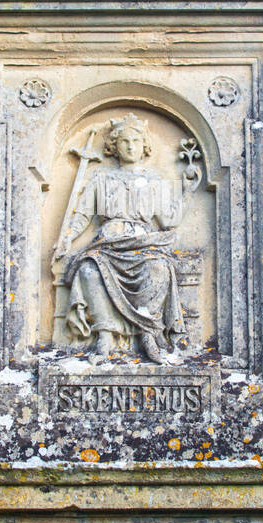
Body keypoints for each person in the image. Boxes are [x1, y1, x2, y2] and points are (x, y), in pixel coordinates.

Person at [53, 114, 186, 363]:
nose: (131, 146)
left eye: (136, 140)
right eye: (124, 141)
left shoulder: (154, 181)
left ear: (145, 145)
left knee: (158, 267)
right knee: (88, 269)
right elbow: (82, 214)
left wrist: (186, 190)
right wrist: (67, 238)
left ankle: (148, 333)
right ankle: (104, 335)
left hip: (144, 244)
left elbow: (168, 220)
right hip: (108, 245)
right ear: (114, 146)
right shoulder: (101, 179)